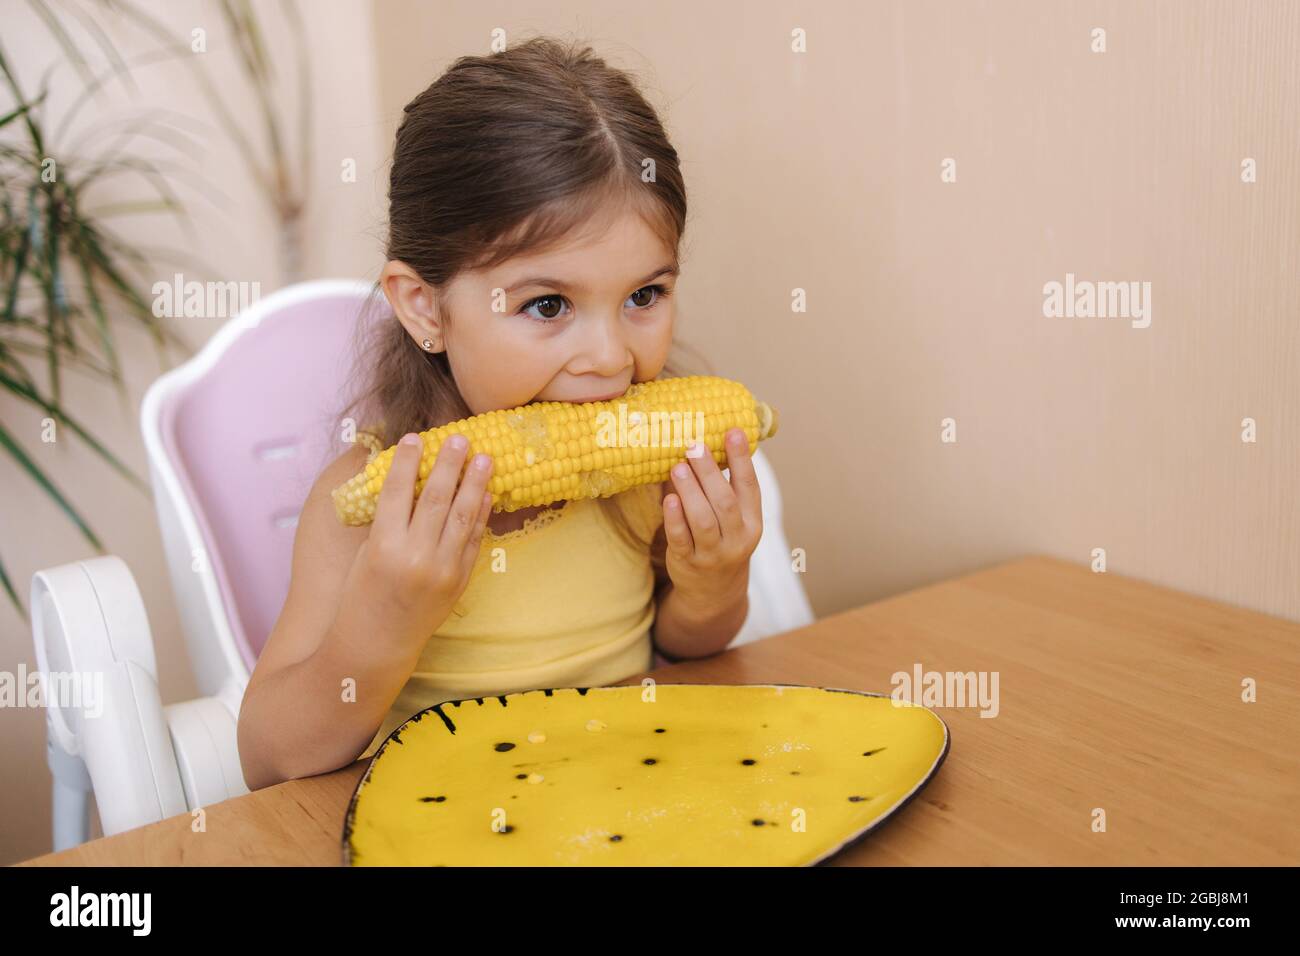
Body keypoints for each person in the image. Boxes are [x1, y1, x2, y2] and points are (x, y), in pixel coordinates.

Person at [237, 37, 763, 790]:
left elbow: (685, 652)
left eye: (645, 296)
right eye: (547, 305)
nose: (611, 358)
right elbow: (269, 759)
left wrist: (714, 586)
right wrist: (384, 620)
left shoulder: (658, 472)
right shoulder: (365, 510)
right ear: (426, 308)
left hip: (629, 798)